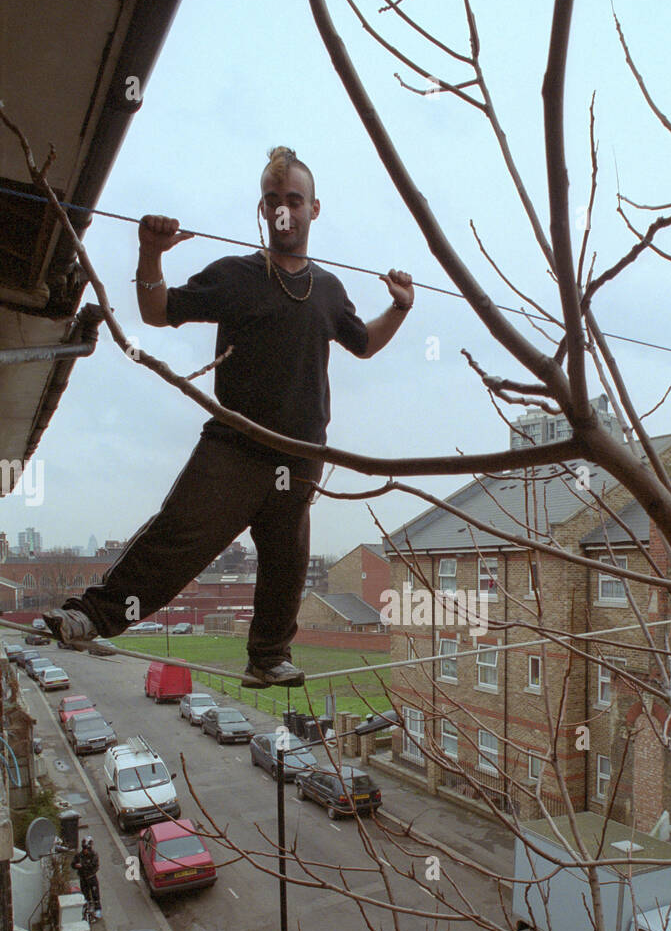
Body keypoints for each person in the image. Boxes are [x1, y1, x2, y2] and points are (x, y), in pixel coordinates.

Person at [43, 146, 414, 687]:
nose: (284, 210)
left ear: (315, 209)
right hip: (235, 448)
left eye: (295, 199)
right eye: (273, 200)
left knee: (287, 563)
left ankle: (267, 659)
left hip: (303, 456)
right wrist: (151, 253)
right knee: (178, 538)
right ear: (262, 211)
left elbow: (365, 345)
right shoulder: (236, 276)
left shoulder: (330, 291)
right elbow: (157, 309)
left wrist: (400, 307)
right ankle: (91, 616)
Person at [72, 837, 101, 918]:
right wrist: (75, 865)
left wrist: (82, 866)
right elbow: (73, 864)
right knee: (85, 895)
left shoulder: (94, 855)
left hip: (91, 878)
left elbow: (94, 865)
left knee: (95, 895)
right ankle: (87, 909)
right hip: (83, 878)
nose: (85, 850)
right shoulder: (79, 856)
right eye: (84, 848)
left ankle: (98, 909)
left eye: (87, 848)